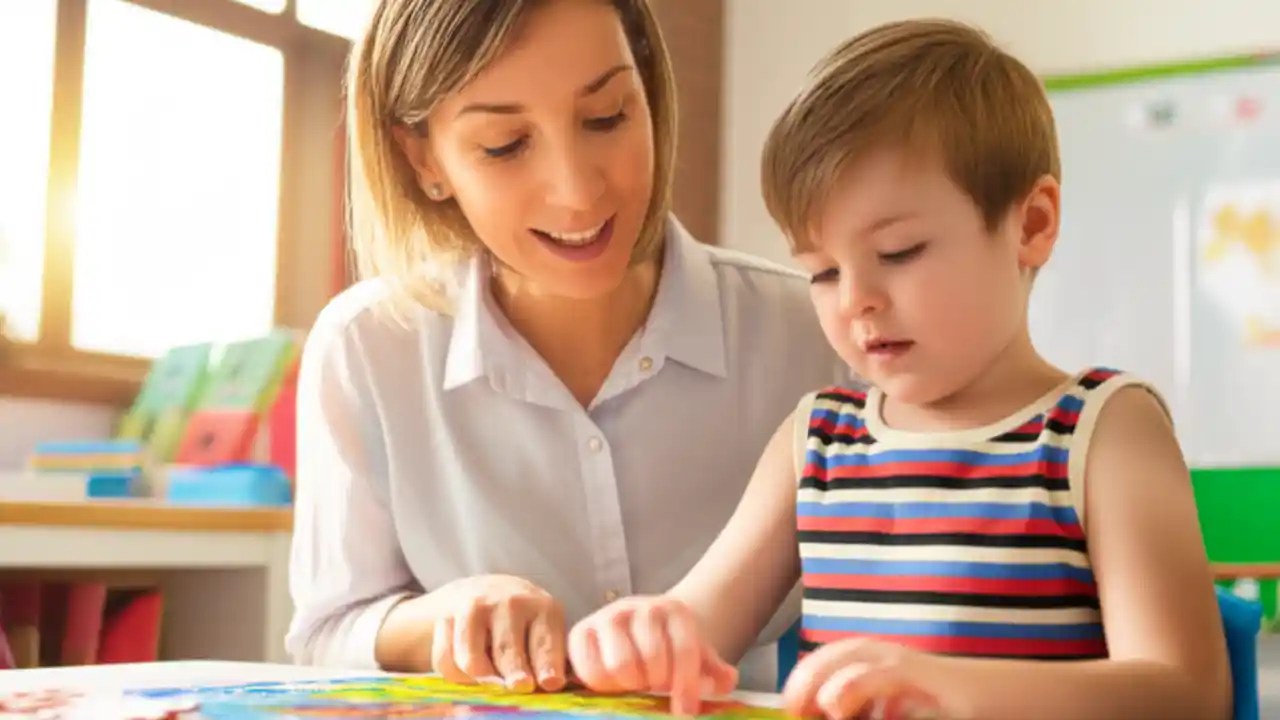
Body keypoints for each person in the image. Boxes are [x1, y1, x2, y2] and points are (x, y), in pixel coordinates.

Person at [568, 19, 1232, 720]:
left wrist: (951, 689)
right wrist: (642, 639)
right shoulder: (815, 442)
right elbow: (697, 627)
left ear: (1032, 225)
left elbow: (1187, 695)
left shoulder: (1103, 433)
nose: (855, 299)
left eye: (899, 252)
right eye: (823, 272)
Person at [285, 0, 845, 695]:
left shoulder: (817, 332)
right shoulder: (367, 349)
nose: (578, 192)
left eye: (606, 117)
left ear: (648, 94)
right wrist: (448, 618)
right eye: (505, 145)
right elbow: (327, 631)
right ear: (422, 156)